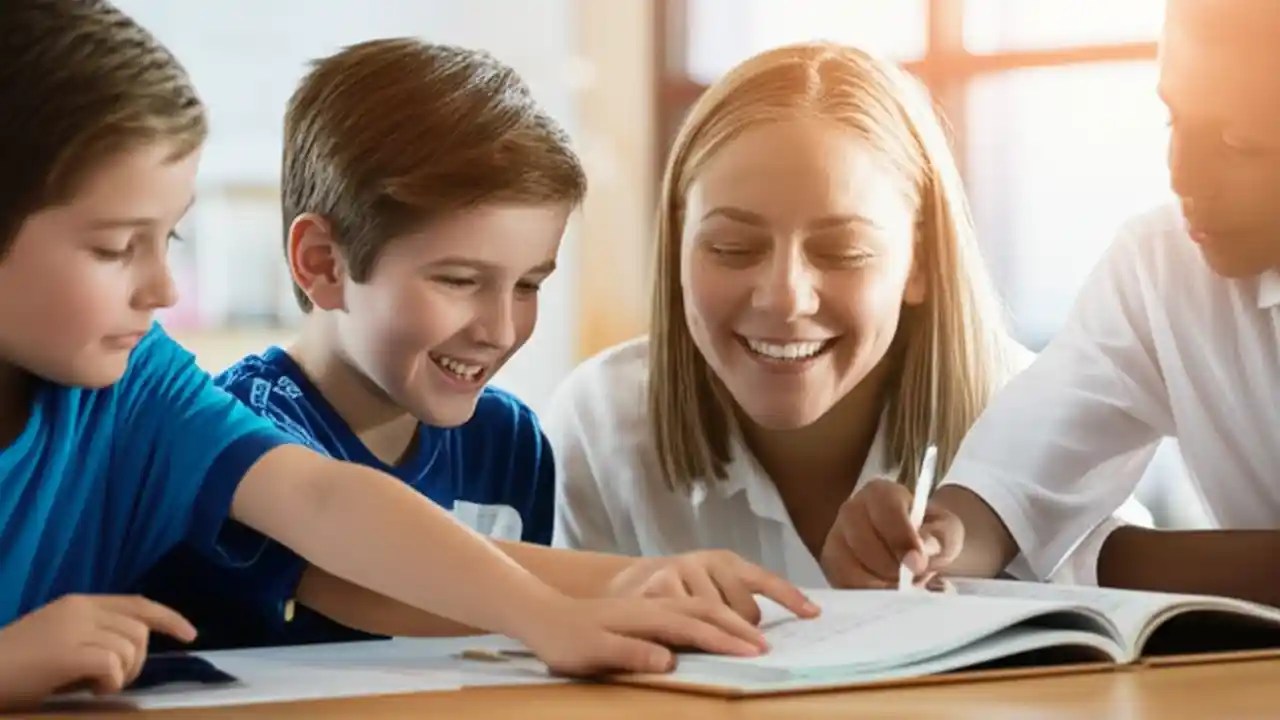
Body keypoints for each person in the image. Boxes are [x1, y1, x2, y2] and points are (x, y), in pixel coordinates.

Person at [0, 2, 802, 708]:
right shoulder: (202, 391)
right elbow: (335, 568)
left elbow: (323, 501)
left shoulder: (140, 381)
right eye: (113, 248)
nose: (164, 287)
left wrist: (560, 610)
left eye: (167, 237)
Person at [547, 42, 1043, 589]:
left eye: (843, 253)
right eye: (733, 248)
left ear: (919, 263)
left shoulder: (1027, 416)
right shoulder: (602, 424)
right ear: (677, 251)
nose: (785, 299)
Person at [842, 0, 1280, 606]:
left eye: (1237, 142)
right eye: (1172, 120)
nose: (1180, 175)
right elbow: (1013, 484)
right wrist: (935, 540)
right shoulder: (1163, 269)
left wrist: (1107, 556)